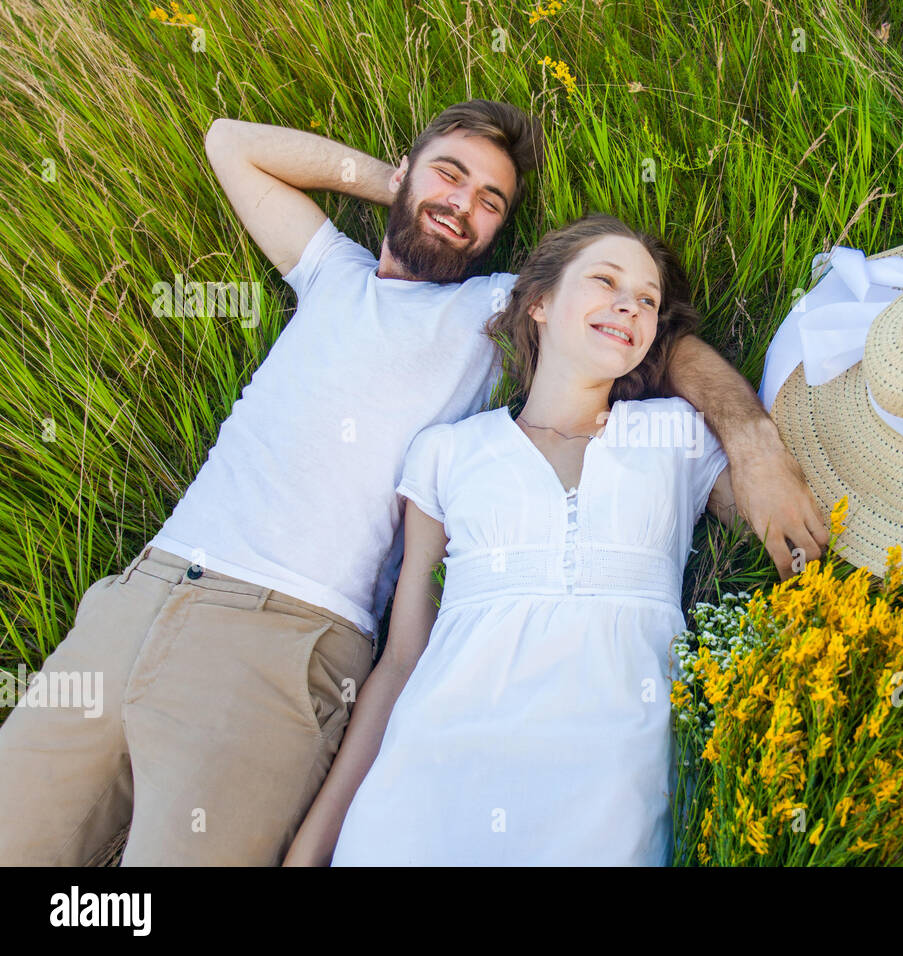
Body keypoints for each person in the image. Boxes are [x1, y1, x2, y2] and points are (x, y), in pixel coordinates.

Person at [0, 99, 826, 866]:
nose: (464, 204)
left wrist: (753, 442)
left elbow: (657, 340)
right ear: (407, 169)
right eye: (450, 175)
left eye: (491, 203)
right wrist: (386, 182)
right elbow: (231, 144)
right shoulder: (333, 273)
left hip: (279, 635)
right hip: (142, 594)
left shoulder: (496, 308)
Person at [286, 213, 736, 866]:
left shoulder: (676, 437)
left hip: (609, 804)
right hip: (426, 795)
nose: (627, 305)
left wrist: (757, 443)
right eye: (605, 281)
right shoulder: (447, 452)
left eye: (646, 300)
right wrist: (310, 850)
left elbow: (797, 520)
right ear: (540, 303)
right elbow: (404, 659)